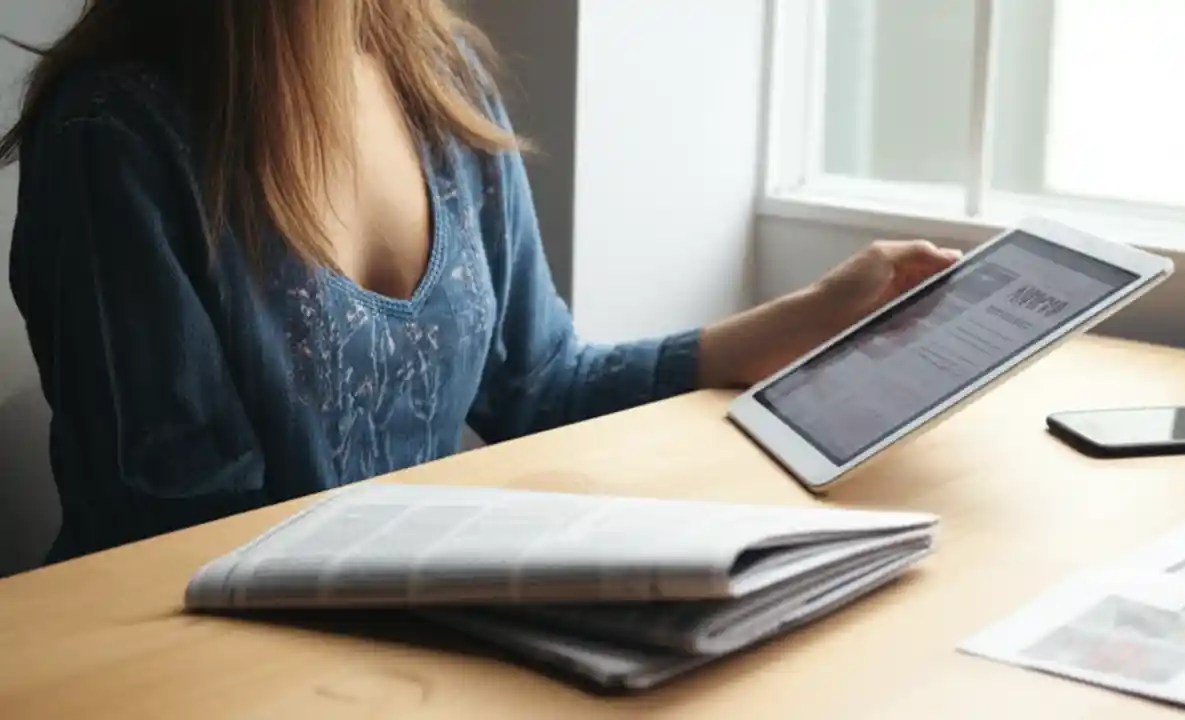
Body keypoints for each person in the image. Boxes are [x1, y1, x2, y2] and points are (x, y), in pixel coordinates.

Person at [2, 1, 959, 562]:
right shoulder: (115, 138)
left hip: (403, 643)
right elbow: (182, 539)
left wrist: (818, 315)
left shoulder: (439, 77)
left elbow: (540, 387)